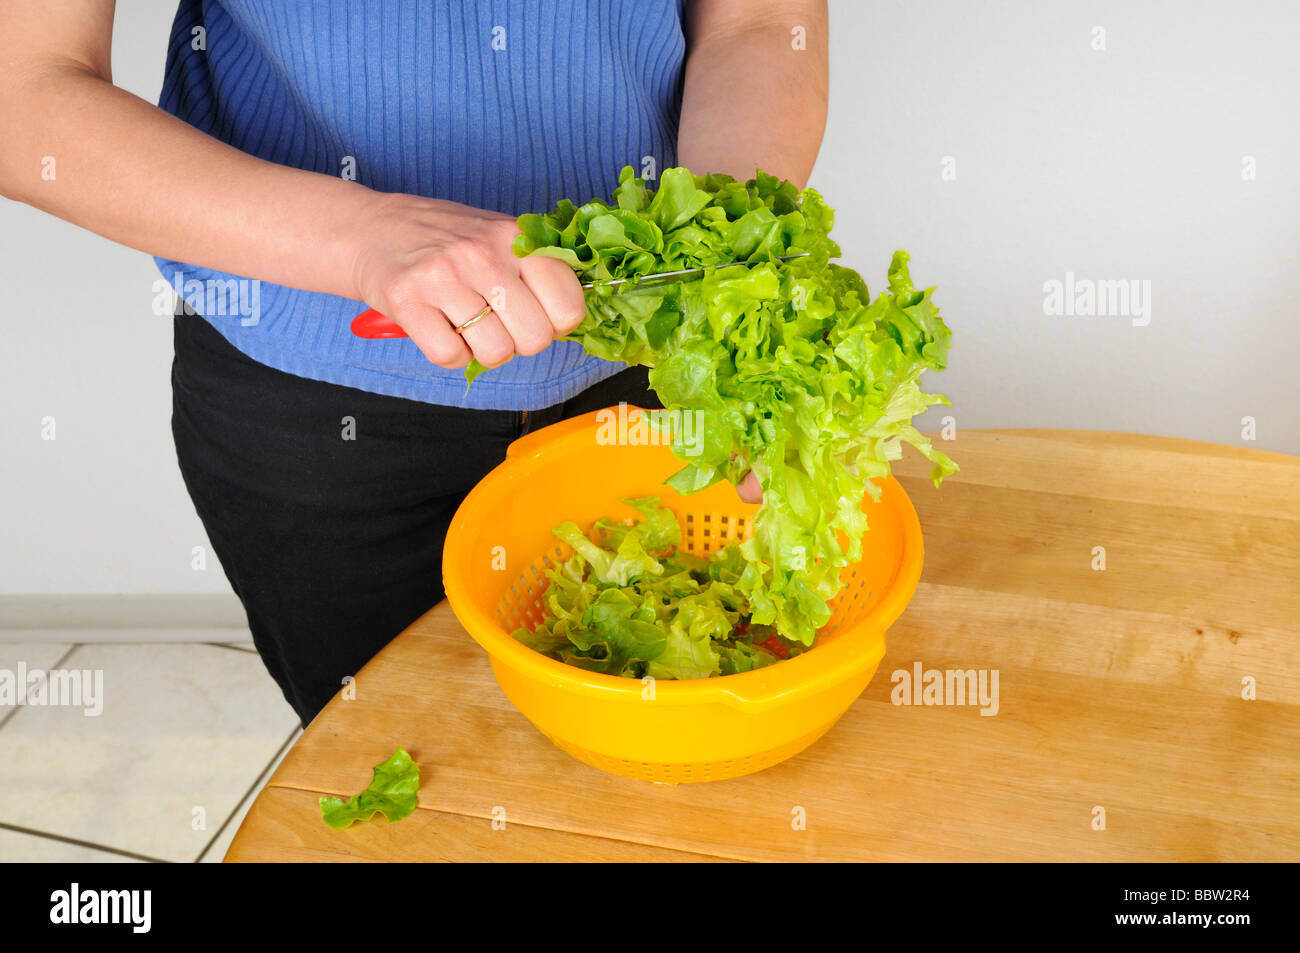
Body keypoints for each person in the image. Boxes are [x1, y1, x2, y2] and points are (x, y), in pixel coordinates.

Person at [0, 0, 829, 725]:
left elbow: (761, 21)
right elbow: (24, 94)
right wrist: (363, 239)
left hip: (655, 367)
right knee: (414, 781)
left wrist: (719, 278)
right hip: (315, 408)